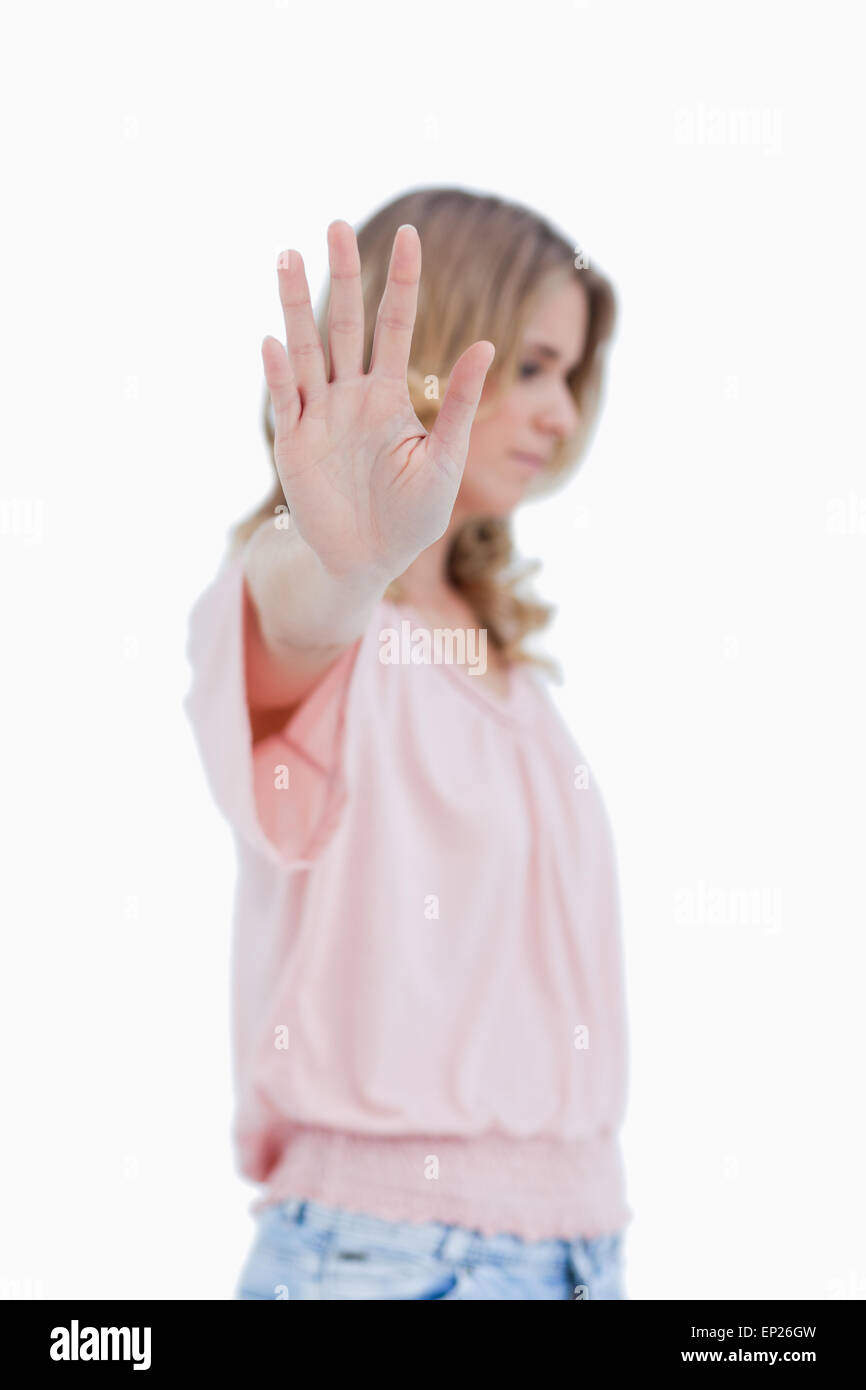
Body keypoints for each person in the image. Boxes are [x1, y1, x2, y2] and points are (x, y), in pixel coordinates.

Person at [183, 187, 632, 1300]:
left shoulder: (513, 667)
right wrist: (338, 552)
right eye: (526, 367)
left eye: (568, 377)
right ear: (432, 355)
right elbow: (299, 610)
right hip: (388, 1257)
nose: (559, 415)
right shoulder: (314, 608)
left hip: (576, 1249)